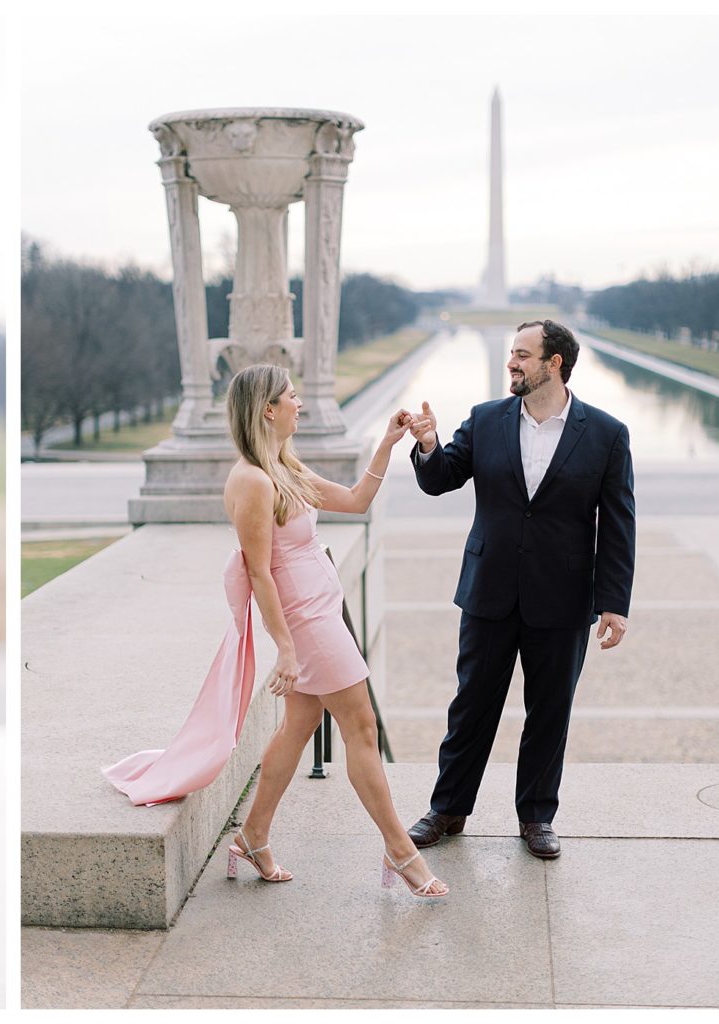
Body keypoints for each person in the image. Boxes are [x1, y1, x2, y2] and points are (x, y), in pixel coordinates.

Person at [104, 363, 447, 899]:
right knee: (361, 727)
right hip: (305, 623)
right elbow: (259, 571)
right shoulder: (253, 481)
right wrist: (285, 648)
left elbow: (355, 501)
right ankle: (400, 851)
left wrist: (387, 442)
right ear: (269, 409)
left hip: (320, 610)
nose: (300, 404)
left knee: (300, 722)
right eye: (292, 396)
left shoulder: (282, 467)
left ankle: (254, 835)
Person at [404, 319, 634, 860]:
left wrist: (613, 604)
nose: (513, 362)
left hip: (563, 597)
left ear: (554, 364)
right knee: (471, 707)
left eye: (523, 355)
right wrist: (429, 443)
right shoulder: (485, 420)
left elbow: (618, 523)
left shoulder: (605, 433)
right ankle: (448, 809)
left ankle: (536, 817)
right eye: (511, 353)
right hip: (489, 591)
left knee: (549, 712)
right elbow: (440, 478)